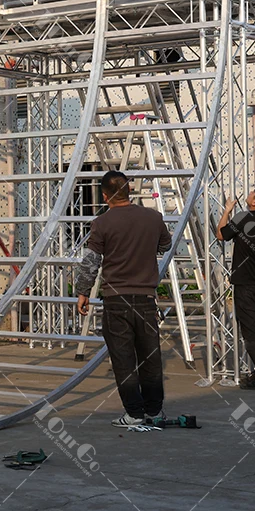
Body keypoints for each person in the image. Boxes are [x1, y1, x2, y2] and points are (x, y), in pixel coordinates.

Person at [76, 171, 172, 427]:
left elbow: (91, 263)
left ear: (106, 196)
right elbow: (165, 245)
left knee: (123, 358)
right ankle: (154, 410)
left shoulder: (102, 223)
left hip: (116, 299)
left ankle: (134, 413)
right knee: (150, 356)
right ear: (129, 191)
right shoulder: (153, 218)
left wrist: (84, 292)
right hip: (146, 299)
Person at [216, 185, 255, 390]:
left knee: (252, 331)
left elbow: (222, 234)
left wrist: (226, 210)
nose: (249, 194)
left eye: (252, 193)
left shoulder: (244, 218)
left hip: (247, 285)